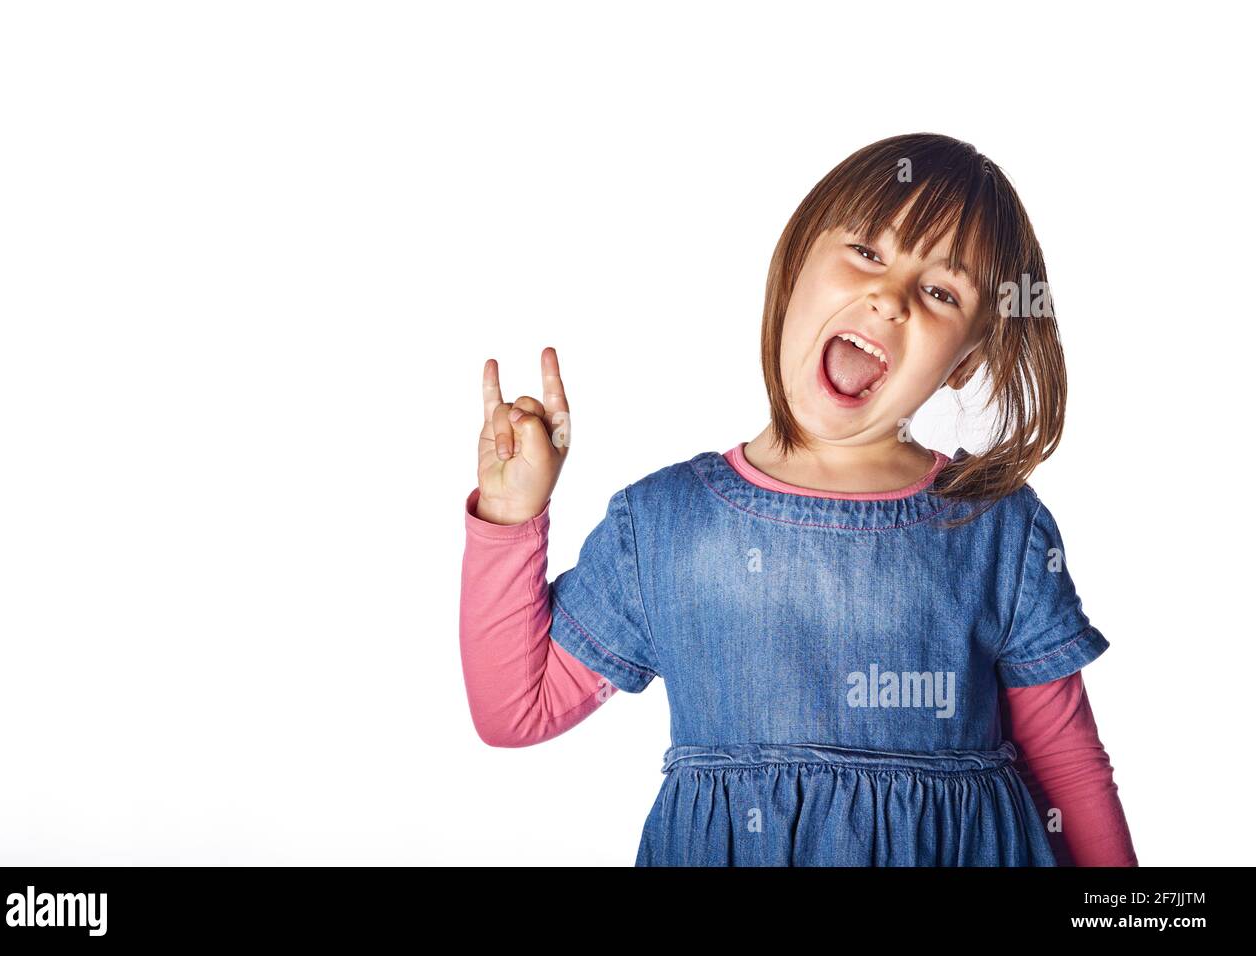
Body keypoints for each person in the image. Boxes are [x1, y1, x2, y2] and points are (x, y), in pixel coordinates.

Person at [459, 132, 1138, 866]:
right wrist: (510, 516)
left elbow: (1068, 765)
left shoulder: (998, 526)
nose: (890, 297)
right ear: (795, 264)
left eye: (941, 291)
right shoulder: (662, 526)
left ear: (965, 361)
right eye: (869, 253)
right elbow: (514, 711)